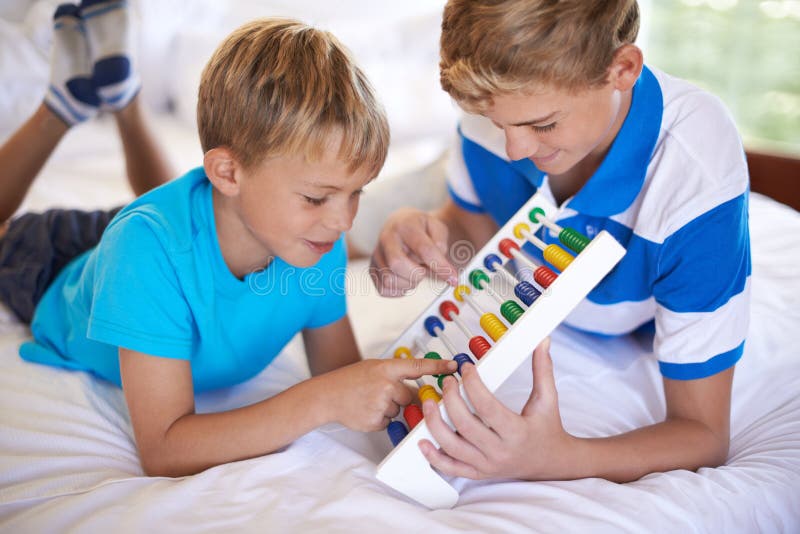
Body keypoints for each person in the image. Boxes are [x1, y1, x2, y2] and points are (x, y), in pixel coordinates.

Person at [6, 7, 455, 477]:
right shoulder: (142, 252)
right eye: (316, 197)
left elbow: (339, 373)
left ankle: (124, 101)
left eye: (356, 193)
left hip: (175, 232)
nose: (344, 221)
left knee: (163, 217)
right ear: (229, 172)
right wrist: (319, 402)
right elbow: (165, 450)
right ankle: (60, 108)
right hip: (59, 264)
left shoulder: (316, 238)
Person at [370, 0, 750, 483]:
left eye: (543, 124)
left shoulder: (696, 179)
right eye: (496, 120)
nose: (515, 149)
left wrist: (558, 458)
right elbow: (478, 237)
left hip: (643, 299)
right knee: (372, 214)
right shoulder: (498, 108)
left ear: (623, 69)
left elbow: (704, 434)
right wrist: (417, 236)